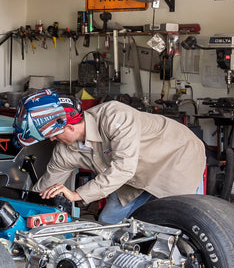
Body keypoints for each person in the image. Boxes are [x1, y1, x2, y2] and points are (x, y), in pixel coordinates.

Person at [15, 89, 205, 222]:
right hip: (132, 174)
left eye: (54, 134)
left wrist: (76, 194)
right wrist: (22, 210)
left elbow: (123, 168)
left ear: (70, 126)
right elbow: (46, 185)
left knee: (177, 224)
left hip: (175, 158)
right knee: (108, 221)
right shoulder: (65, 150)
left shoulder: (115, 116)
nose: (51, 140)